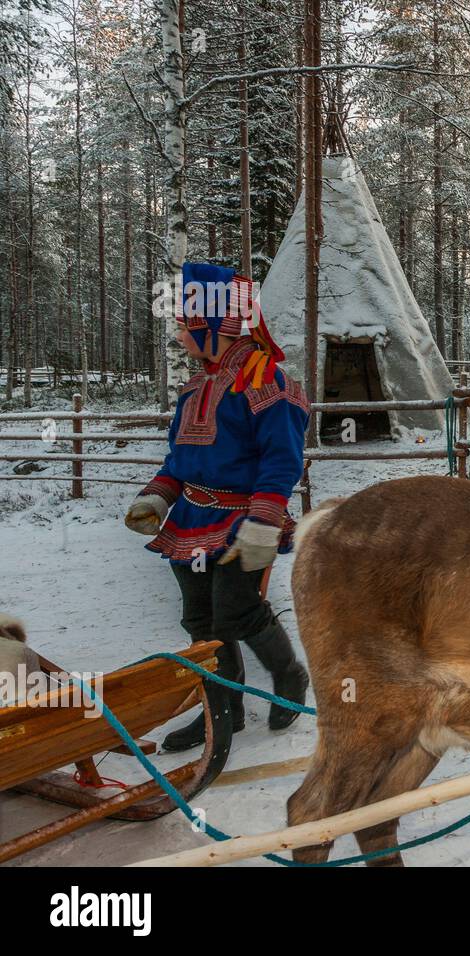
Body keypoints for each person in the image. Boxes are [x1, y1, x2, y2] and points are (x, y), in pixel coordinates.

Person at [125, 262, 311, 752]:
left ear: (213, 327)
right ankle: (221, 712)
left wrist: (262, 522)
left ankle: (290, 677)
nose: (180, 335)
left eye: (187, 326)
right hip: (190, 521)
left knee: (239, 613)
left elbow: (282, 460)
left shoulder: (267, 384)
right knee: (200, 623)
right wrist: (157, 496)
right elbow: (179, 461)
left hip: (243, 521)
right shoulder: (195, 389)